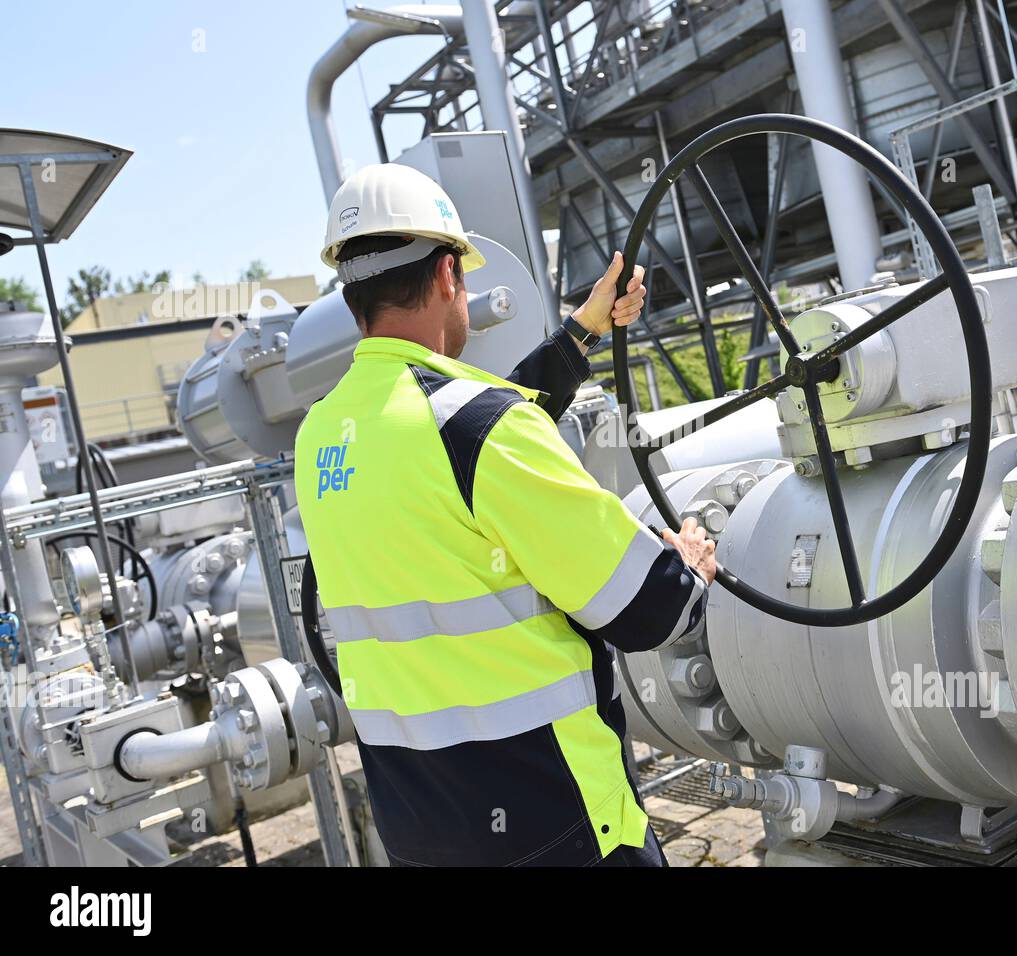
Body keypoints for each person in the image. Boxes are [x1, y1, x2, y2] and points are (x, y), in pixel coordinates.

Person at [295, 163, 717, 866]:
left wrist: (582, 330)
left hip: (422, 832)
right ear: (445, 278)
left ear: (352, 293)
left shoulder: (322, 435)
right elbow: (651, 613)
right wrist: (687, 568)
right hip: (560, 827)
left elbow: (458, 451)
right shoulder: (479, 428)